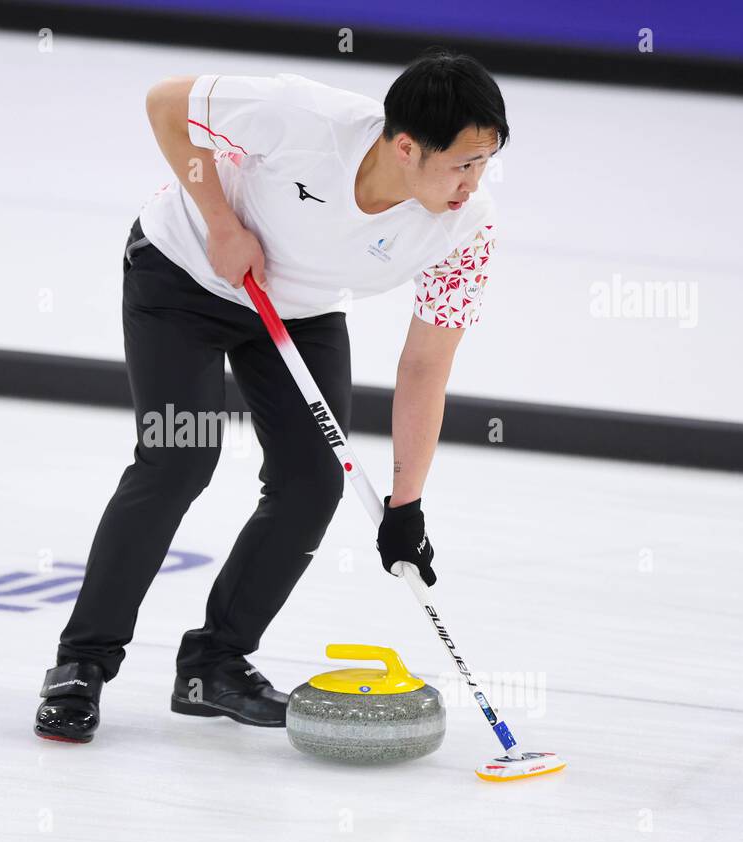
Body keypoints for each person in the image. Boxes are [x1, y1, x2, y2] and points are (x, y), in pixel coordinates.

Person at [35, 49, 508, 743]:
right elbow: (167, 105)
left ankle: (215, 665)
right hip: (185, 274)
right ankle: (82, 663)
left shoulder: (468, 229)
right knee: (178, 459)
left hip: (299, 310)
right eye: (462, 164)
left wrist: (407, 503)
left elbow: (425, 366)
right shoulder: (306, 119)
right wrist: (223, 224)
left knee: (313, 481)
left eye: (485, 163)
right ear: (405, 146)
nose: (474, 182)